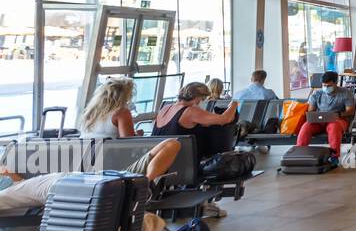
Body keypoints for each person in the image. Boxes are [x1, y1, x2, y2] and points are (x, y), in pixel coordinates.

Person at [2, 138, 181, 211]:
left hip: (90, 178)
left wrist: (8, 173)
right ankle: (141, 187)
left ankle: (145, 184)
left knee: (172, 143)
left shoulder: (14, 182)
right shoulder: (6, 195)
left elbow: (12, 176)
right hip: (69, 188)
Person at [152, 81, 239, 217]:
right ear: (197, 98)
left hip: (159, 164)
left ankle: (200, 203)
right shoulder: (191, 111)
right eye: (202, 99)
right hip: (183, 167)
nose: (201, 102)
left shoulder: (165, 109)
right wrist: (234, 104)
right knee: (219, 157)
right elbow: (225, 119)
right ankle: (205, 204)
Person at [296, 70, 356, 165]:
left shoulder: (346, 93)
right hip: (319, 121)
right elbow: (311, 110)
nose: (326, 88)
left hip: (338, 120)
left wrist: (338, 114)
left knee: (334, 126)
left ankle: (334, 156)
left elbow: (350, 111)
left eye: (329, 86)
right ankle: (298, 153)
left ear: (336, 83)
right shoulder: (317, 94)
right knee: (306, 126)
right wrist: (312, 115)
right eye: (324, 85)